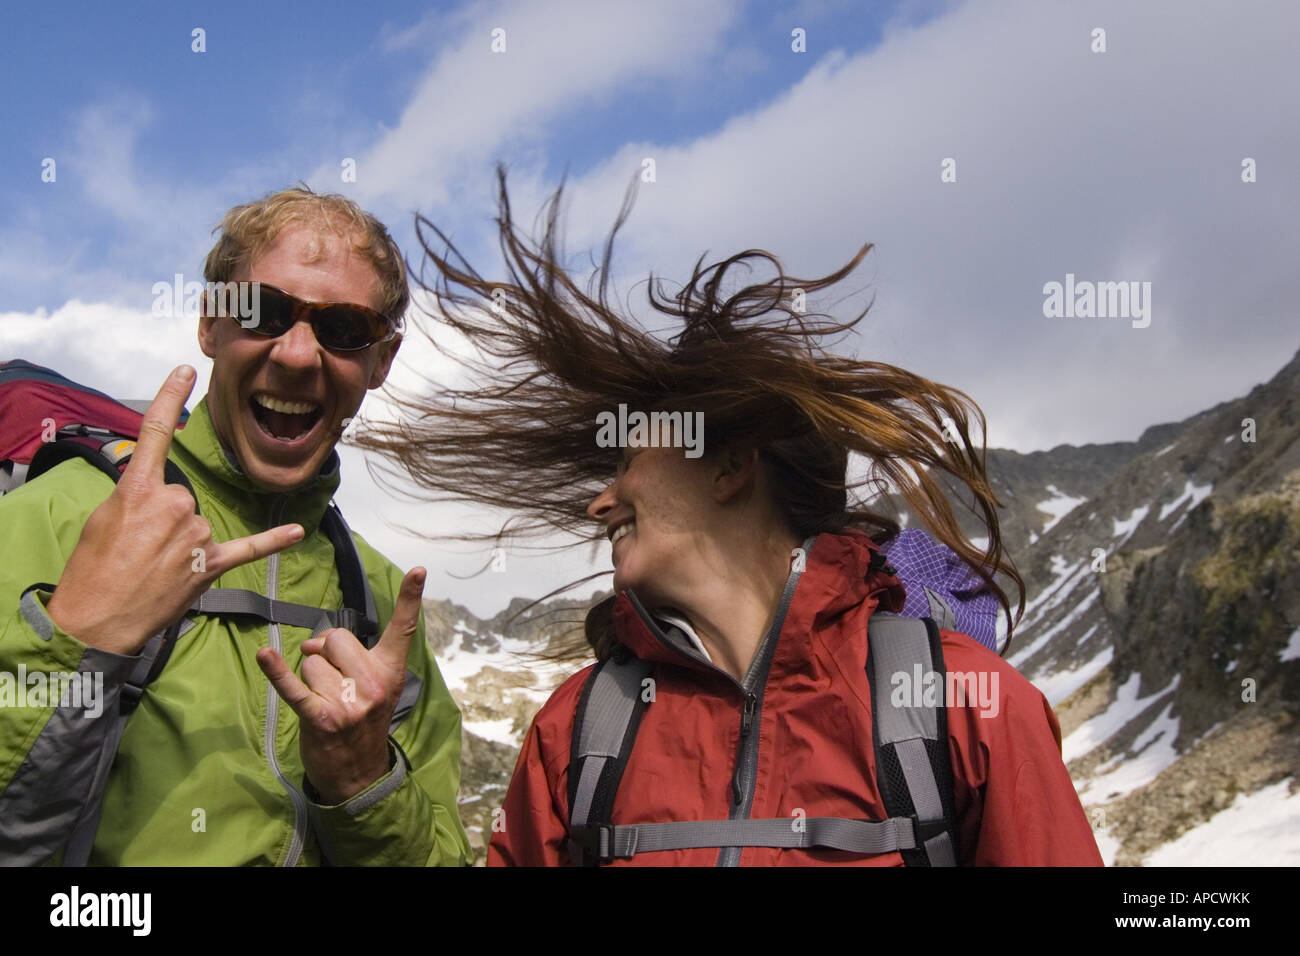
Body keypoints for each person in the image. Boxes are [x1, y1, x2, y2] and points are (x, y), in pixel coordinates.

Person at [360, 169, 1103, 866]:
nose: (600, 500)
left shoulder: (966, 708)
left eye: (627, 462)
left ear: (729, 465)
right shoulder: (578, 732)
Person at [0, 187, 471, 866]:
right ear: (209, 325)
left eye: (343, 330)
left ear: (381, 361)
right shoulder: (55, 516)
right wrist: (78, 647)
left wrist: (365, 786)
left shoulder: (382, 602)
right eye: (263, 312)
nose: (299, 355)